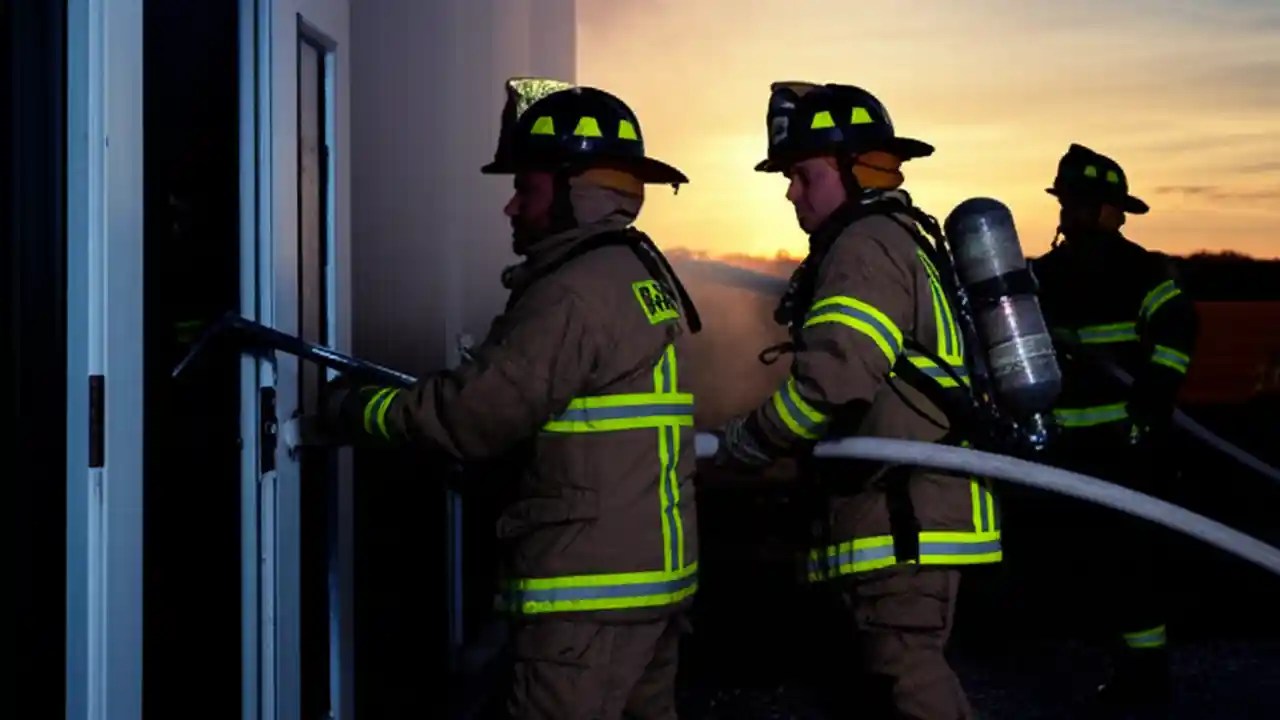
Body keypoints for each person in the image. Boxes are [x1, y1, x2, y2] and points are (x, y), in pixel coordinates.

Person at [315, 77, 702, 720]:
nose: (512, 208)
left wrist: (354, 409)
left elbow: (473, 418)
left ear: (574, 189)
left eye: (526, 186)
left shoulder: (572, 292)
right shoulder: (638, 271)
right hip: (648, 584)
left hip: (588, 601)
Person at [715, 81, 1002, 719]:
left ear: (851, 171)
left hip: (905, 512)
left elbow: (833, 384)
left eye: (803, 175)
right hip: (906, 503)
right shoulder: (898, 237)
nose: (792, 192)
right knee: (884, 677)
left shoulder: (864, 248)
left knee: (906, 673)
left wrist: (748, 440)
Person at [1031, 143, 1198, 713]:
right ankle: (1110, 671)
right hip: (1063, 449)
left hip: (1129, 447)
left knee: (1134, 570)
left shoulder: (1145, 270)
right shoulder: (1041, 276)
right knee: (1086, 568)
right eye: (1068, 202)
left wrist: (1153, 398)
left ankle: (1145, 679)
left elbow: (1176, 333)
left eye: (1085, 204)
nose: (1072, 214)